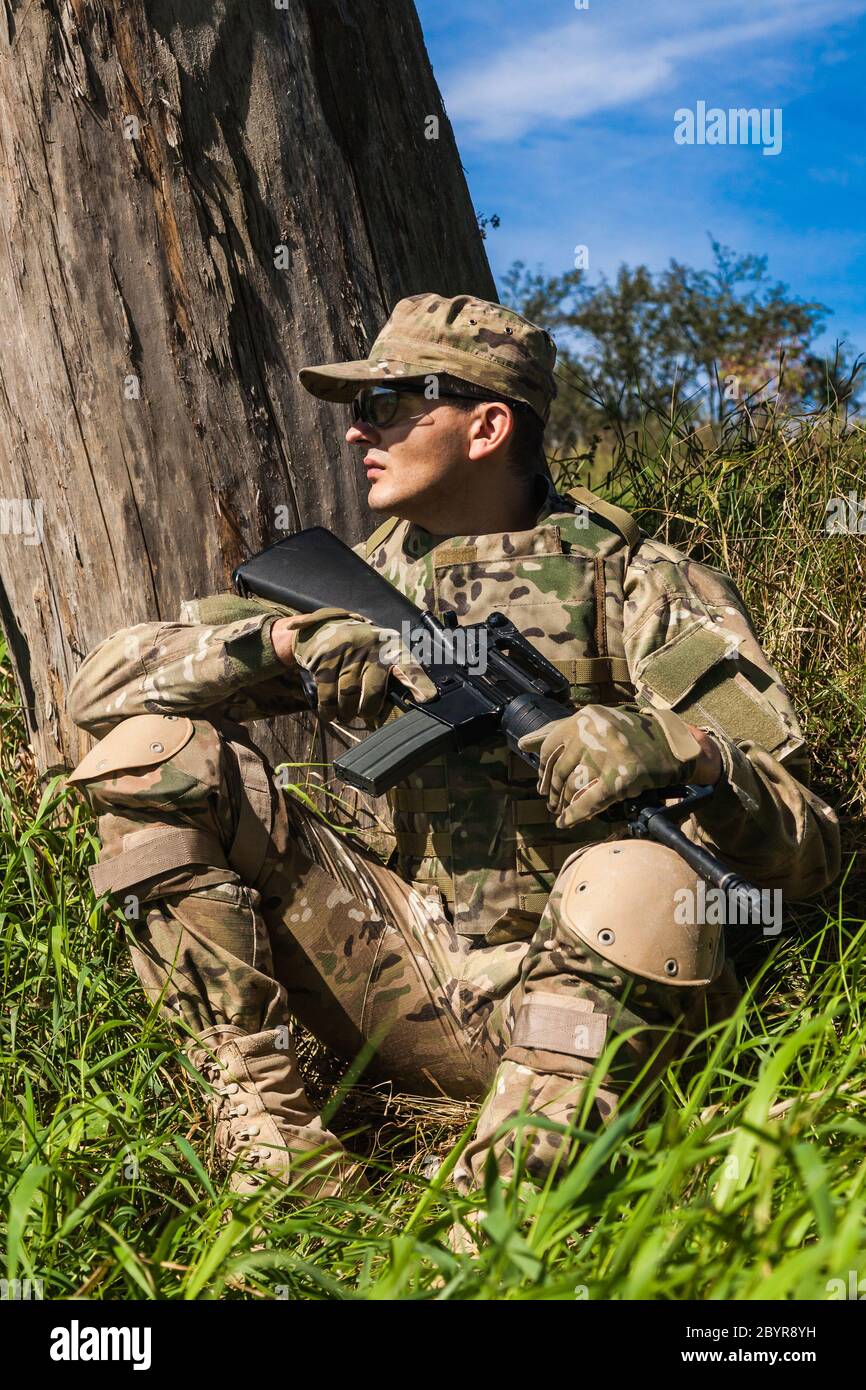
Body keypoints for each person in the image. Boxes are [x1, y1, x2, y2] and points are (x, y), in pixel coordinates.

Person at [65, 293, 840, 1197]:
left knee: (644, 877)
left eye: (385, 405)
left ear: (487, 426)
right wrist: (280, 645)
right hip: (397, 964)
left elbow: (814, 845)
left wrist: (686, 754)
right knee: (155, 751)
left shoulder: (643, 583)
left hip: (597, 988)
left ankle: (500, 1216)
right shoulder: (354, 585)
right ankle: (279, 1154)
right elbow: (98, 690)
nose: (357, 434)